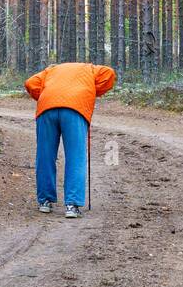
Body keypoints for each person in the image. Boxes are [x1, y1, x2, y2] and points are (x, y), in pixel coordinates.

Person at [23, 62, 116, 217]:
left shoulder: (51, 70)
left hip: (47, 108)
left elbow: (30, 83)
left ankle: (45, 202)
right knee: (76, 157)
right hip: (75, 108)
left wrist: (47, 94)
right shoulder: (91, 69)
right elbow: (109, 73)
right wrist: (93, 90)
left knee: (45, 156)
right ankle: (72, 205)